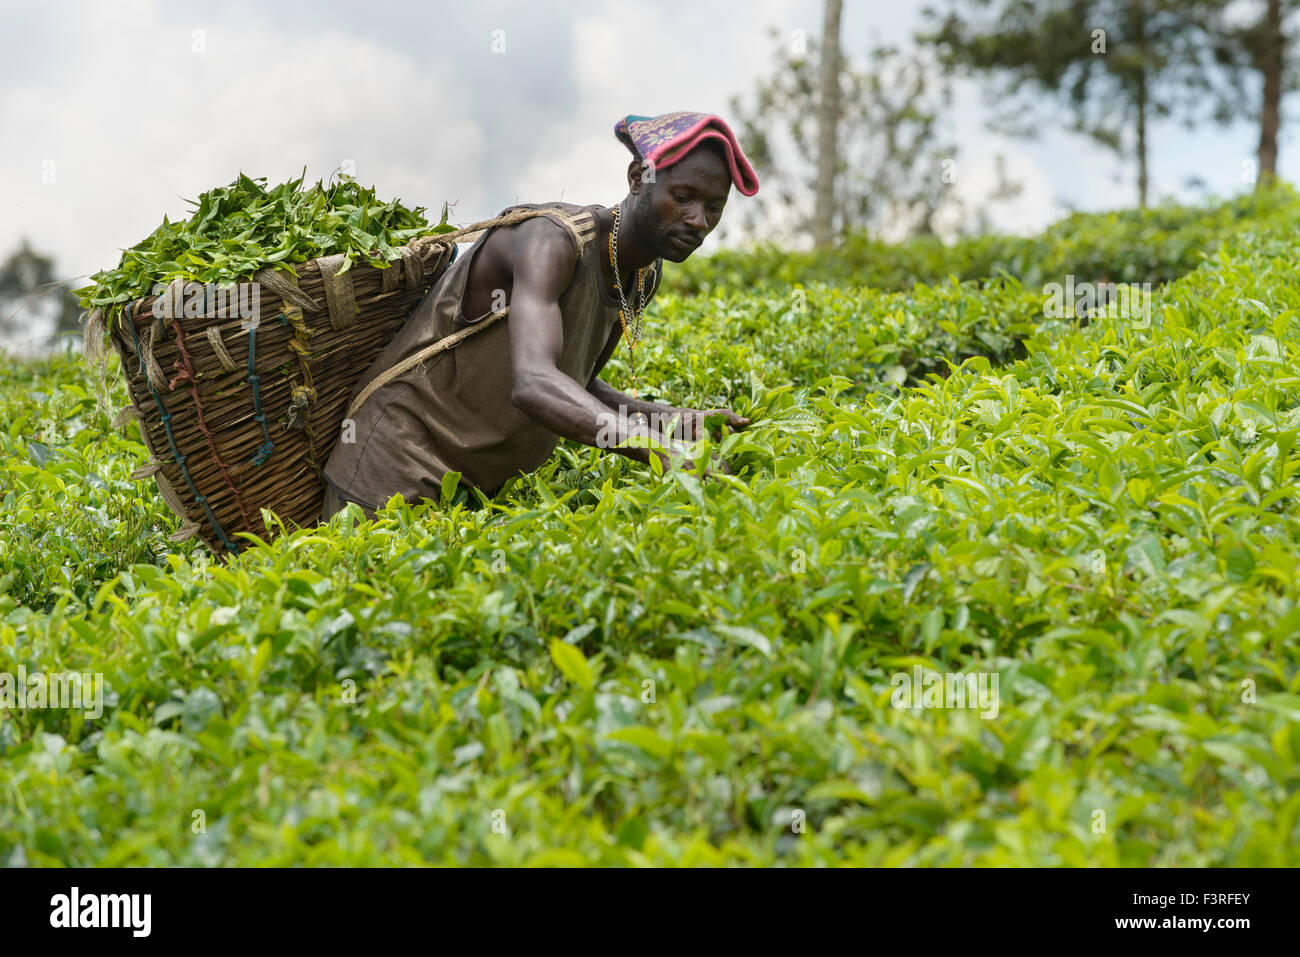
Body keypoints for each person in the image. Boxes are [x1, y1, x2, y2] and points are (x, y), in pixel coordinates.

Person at [322, 111, 761, 521]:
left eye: (714, 208)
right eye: (683, 197)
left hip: (471, 492)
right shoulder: (552, 241)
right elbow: (534, 384)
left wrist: (679, 423)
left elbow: (574, 384)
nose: (699, 220)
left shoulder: (643, 274)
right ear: (636, 179)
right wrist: (654, 447)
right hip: (391, 474)